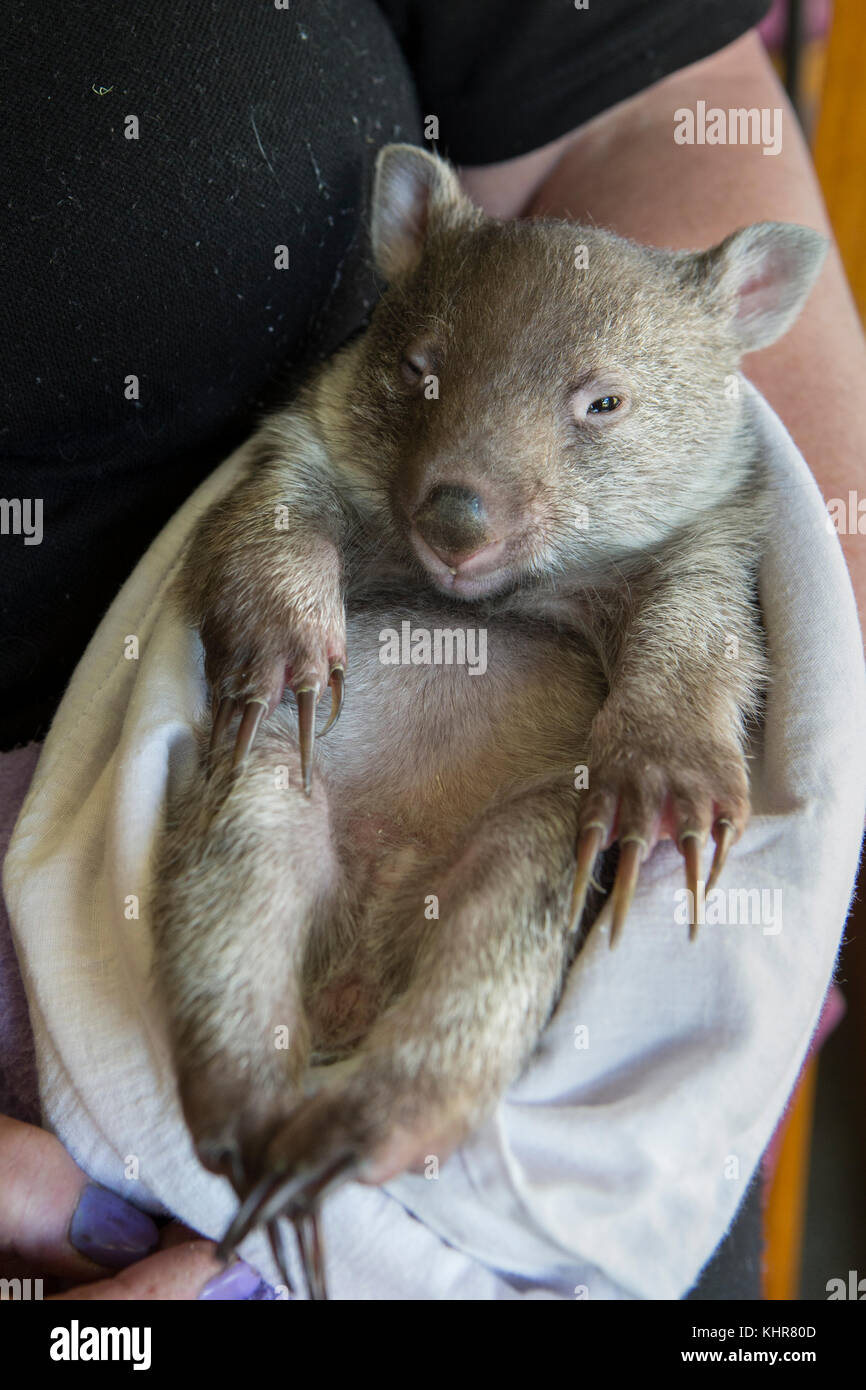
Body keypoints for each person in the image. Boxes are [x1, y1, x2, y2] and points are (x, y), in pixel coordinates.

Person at [2, 0, 863, 1299]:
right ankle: (228, 1107)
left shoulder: (684, 491)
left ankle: (408, 1113)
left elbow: (625, 108)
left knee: (535, 845)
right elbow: (298, 480)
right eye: (431, 384)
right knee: (260, 789)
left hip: (521, 846)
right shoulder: (365, 428)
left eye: (593, 411)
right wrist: (287, 577)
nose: (460, 484)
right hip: (119, 1017)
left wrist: (682, 737)